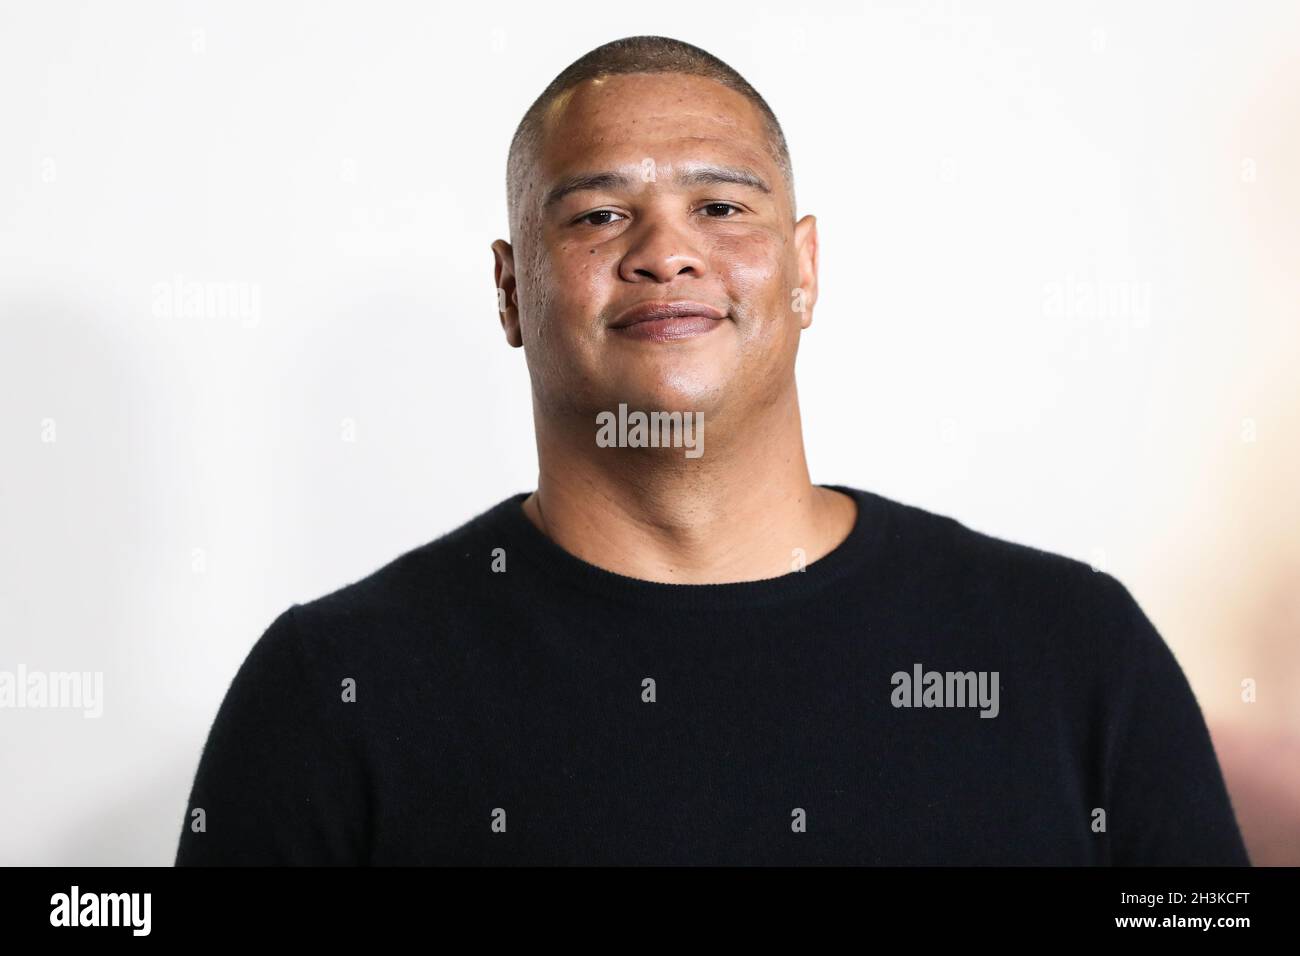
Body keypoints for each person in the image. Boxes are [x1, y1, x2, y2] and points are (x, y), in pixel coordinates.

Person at [175, 35, 1249, 865]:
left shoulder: (1071, 652)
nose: (666, 252)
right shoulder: (334, 688)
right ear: (511, 289)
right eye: (598, 214)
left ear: (803, 267)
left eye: (721, 205)